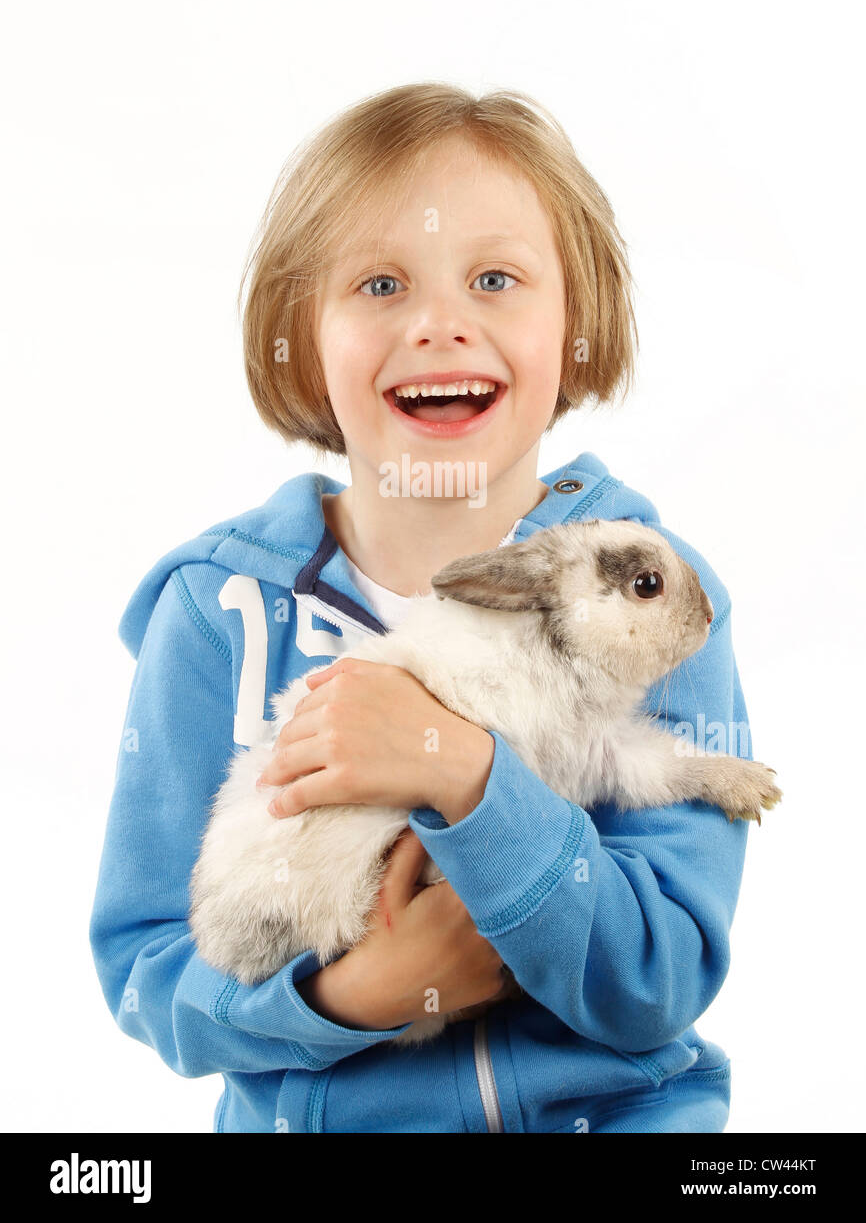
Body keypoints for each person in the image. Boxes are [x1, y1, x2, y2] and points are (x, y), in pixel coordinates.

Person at [90, 82, 752, 1133]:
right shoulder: (215, 613)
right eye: (380, 284)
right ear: (300, 339)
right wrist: (355, 996)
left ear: (574, 324)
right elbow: (146, 965)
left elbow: (658, 975)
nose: (441, 324)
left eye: (495, 279)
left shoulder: (649, 601)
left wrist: (466, 775)